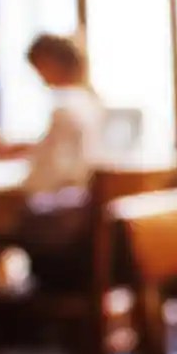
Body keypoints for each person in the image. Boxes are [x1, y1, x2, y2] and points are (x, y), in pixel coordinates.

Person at [14, 34, 107, 288]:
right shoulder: (91, 102)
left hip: (67, 241)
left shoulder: (65, 106)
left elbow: (46, 177)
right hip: (88, 234)